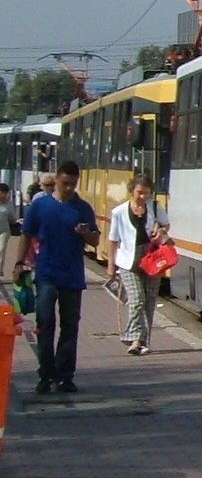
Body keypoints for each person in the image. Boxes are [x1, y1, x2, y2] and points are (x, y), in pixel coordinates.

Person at [19, 160, 100, 393]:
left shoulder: (82, 208)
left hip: (72, 275)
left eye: (73, 184)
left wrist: (86, 234)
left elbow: (95, 239)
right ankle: (45, 374)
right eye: (65, 183)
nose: (69, 188)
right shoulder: (41, 206)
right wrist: (18, 264)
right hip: (46, 272)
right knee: (45, 322)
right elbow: (26, 235)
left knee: (70, 325)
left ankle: (65, 375)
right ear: (56, 179)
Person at [106, 173, 170, 356]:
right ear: (131, 190)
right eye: (140, 193)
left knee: (149, 302)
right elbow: (113, 239)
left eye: (147, 194)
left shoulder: (156, 207)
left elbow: (165, 225)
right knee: (137, 299)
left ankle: (143, 342)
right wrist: (111, 265)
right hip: (128, 261)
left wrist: (161, 231)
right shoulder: (119, 212)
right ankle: (133, 338)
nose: (143, 197)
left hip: (152, 259)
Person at [0, 182, 17, 283]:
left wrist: (17, 221)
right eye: (2, 193)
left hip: (4, 230)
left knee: (1, 249)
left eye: (5, 193)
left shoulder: (8, 203)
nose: (4, 195)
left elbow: (12, 218)